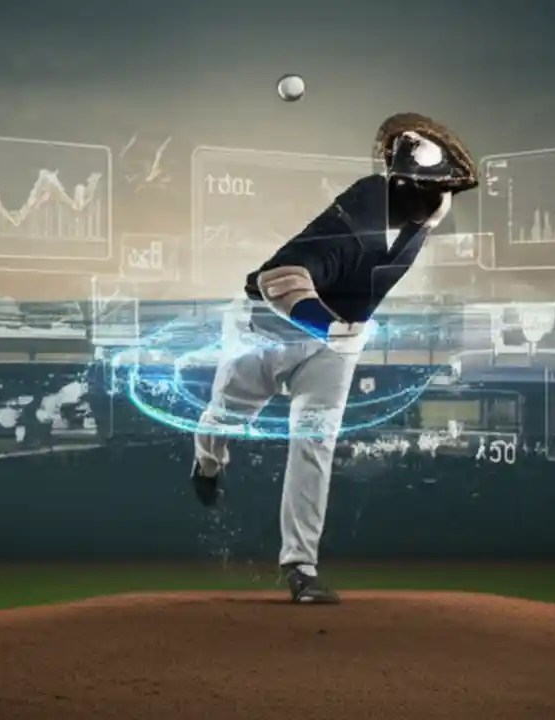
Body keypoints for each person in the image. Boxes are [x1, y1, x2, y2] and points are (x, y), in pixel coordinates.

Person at [190, 112, 478, 604]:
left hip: (339, 343)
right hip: (267, 328)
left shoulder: (427, 212)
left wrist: (341, 338)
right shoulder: (356, 220)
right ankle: (208, 463)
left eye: (443, 190)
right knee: (225, 416)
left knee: (314, 447)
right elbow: (278, 281)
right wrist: (329, 328)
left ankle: (301, 567)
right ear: (403, 187)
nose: (440, 200)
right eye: (430, 190)